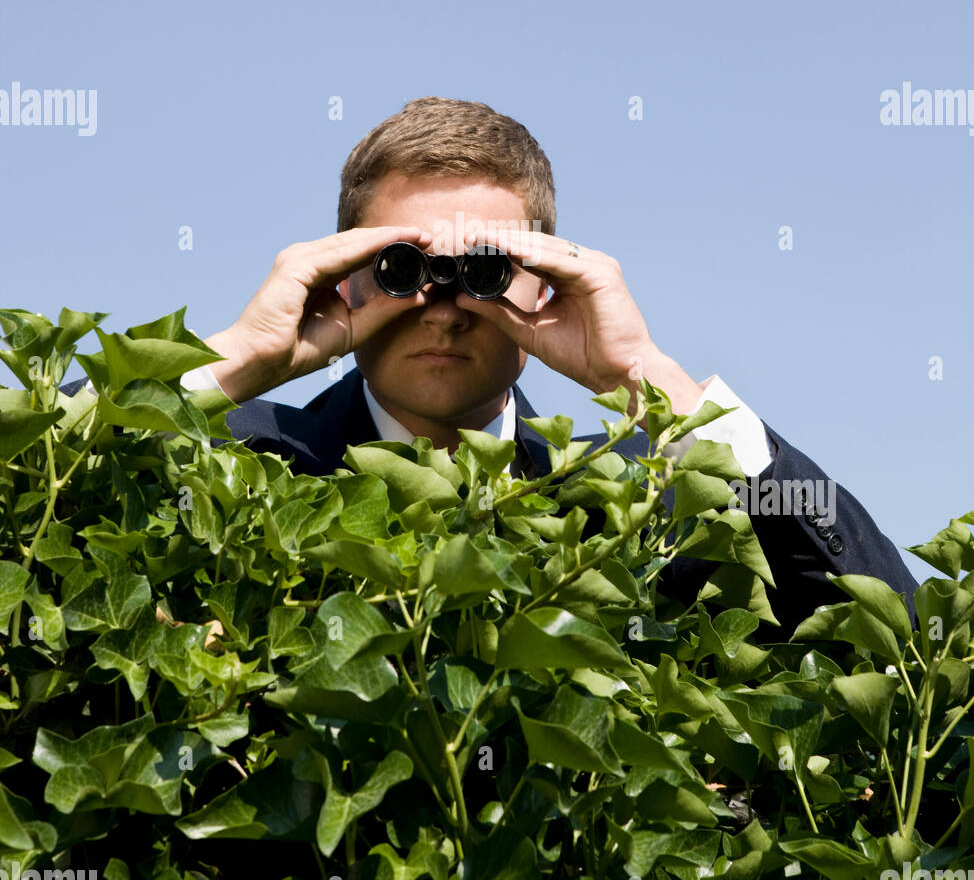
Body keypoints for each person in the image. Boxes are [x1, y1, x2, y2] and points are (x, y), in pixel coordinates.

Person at [187, 96, 918, 637]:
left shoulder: (653, 500)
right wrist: (241, 358)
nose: (441, 308)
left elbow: (896, 637)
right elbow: (68, 483)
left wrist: (646, 376)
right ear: (343, 273)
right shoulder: (237, 459)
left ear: (546, 280)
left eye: (485, 271)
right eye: (401, 268)